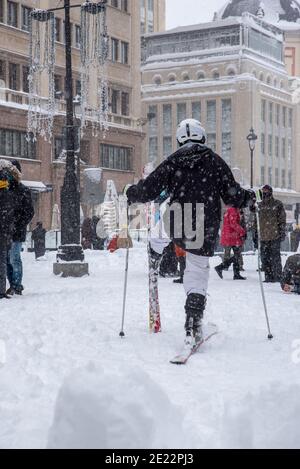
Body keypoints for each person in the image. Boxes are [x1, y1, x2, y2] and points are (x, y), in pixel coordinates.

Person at [125, 119, 253, 346]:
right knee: (196, 272)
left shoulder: (173, 161)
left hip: (178, 218)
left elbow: (149, 189)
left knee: (163, 227)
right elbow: (232, 195)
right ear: (202, 137)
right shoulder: (214, 161)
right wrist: (249, 197)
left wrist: (132, 193)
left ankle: (155, 251)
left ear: (179, 140)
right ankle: (192, 322)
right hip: (206, 223)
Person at [6, 160, 34, 296]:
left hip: (16, 231)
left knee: (14, 258)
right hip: (5, 231)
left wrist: (18, 224)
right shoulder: (5, 188)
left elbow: (29, 212)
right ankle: (12, 284)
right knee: (6, 259)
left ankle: (16, 285)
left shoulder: (23, 190)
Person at [254, 185, 286, 283]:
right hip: (263, 237)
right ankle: (268, 277)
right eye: (263, 191)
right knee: (265, 258)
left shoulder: (277, 204)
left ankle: (278, 276)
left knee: (275, 257)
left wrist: (281, 232)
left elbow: (282, 219)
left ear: (270, 192)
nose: (265, 192)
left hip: (274, 236)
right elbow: (256, 221)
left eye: (266, 191)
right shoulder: (259, 205)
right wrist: (255, 234)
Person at [0, 160, 20, 299]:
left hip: (4, 232)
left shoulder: (7, 194)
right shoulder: (8, 194)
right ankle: (1, 290)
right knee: (2, 261)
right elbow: (9, 215)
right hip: (5, 232)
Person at [215, 207, 247, 280]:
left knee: (237, 254)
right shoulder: (233, 210)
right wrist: (242, 232)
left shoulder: (230, 209)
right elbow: (233, 223)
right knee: (237, 254)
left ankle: (236, 274)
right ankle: (221, 267)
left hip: (230, 235)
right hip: (232, 236)